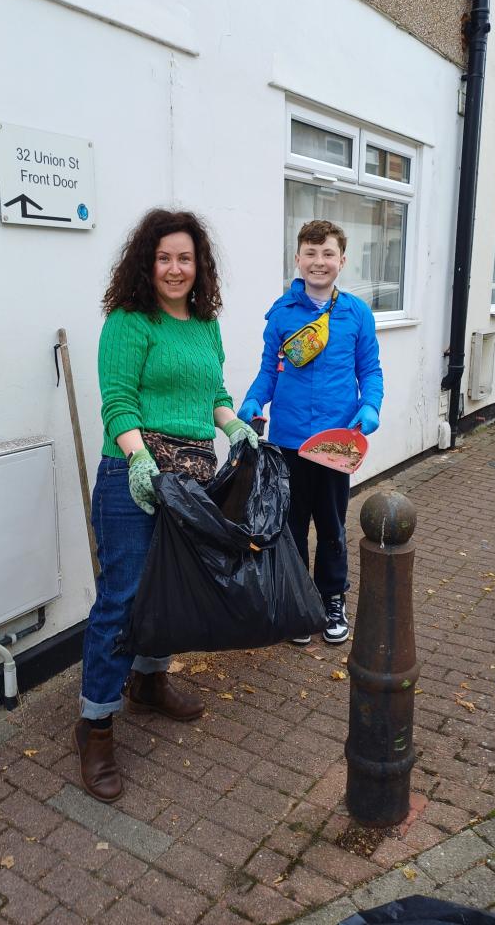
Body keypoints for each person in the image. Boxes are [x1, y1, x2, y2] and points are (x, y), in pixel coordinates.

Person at [75, 208, 258, 802]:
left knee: (171, 586)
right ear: (146, 263)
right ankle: (95, 724)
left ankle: (149, 684)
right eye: (164, 258)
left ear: (198, 265)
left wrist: (234, 425)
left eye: (185, 258)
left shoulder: (205, 323)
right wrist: (138, 460)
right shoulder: (130, 321)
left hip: (191, 478)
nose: (175, 269)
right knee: (122, 600)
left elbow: (216, 392)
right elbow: (118, 403)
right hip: (132, 477)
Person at [239, 219, 383, 645]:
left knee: (333, 525)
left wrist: (370, 405)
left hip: (337, 441)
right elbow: (269, 370)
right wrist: (252, 400)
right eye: (310, 253)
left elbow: (369, 370)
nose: (319, 262)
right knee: (292, 524)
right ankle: (299, 601)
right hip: (288, 440)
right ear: (298, 259)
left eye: (328, 254)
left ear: (342, 260)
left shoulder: (356, 313)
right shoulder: (282, 314)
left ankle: (332, 597)